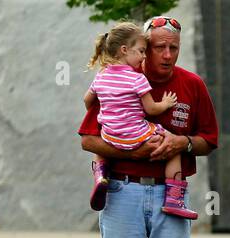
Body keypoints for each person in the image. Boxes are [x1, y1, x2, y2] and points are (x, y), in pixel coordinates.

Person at [78, 15, 219, 238]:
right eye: (159, 48)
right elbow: (87, 138)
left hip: (170, 197)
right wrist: (135, 152)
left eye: (174, 48)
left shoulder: (192, 85)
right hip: (122, 191)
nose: (167, 55)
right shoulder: (119, 78)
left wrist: (180, 143)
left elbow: (209, 140)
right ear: (142, 49)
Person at [84, 22, 196, 220]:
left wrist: (108, 113)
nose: (143, 56)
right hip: (136, 136)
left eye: (173, 48)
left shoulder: (101, 76)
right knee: (170, 143)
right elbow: (151, 108)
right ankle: (174, 199)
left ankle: (100, 176)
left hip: (110, 134)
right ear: (125, 50)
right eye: (142, 51)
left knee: (101, 143)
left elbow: (87, 101)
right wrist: (167, 103)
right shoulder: (137, 79)